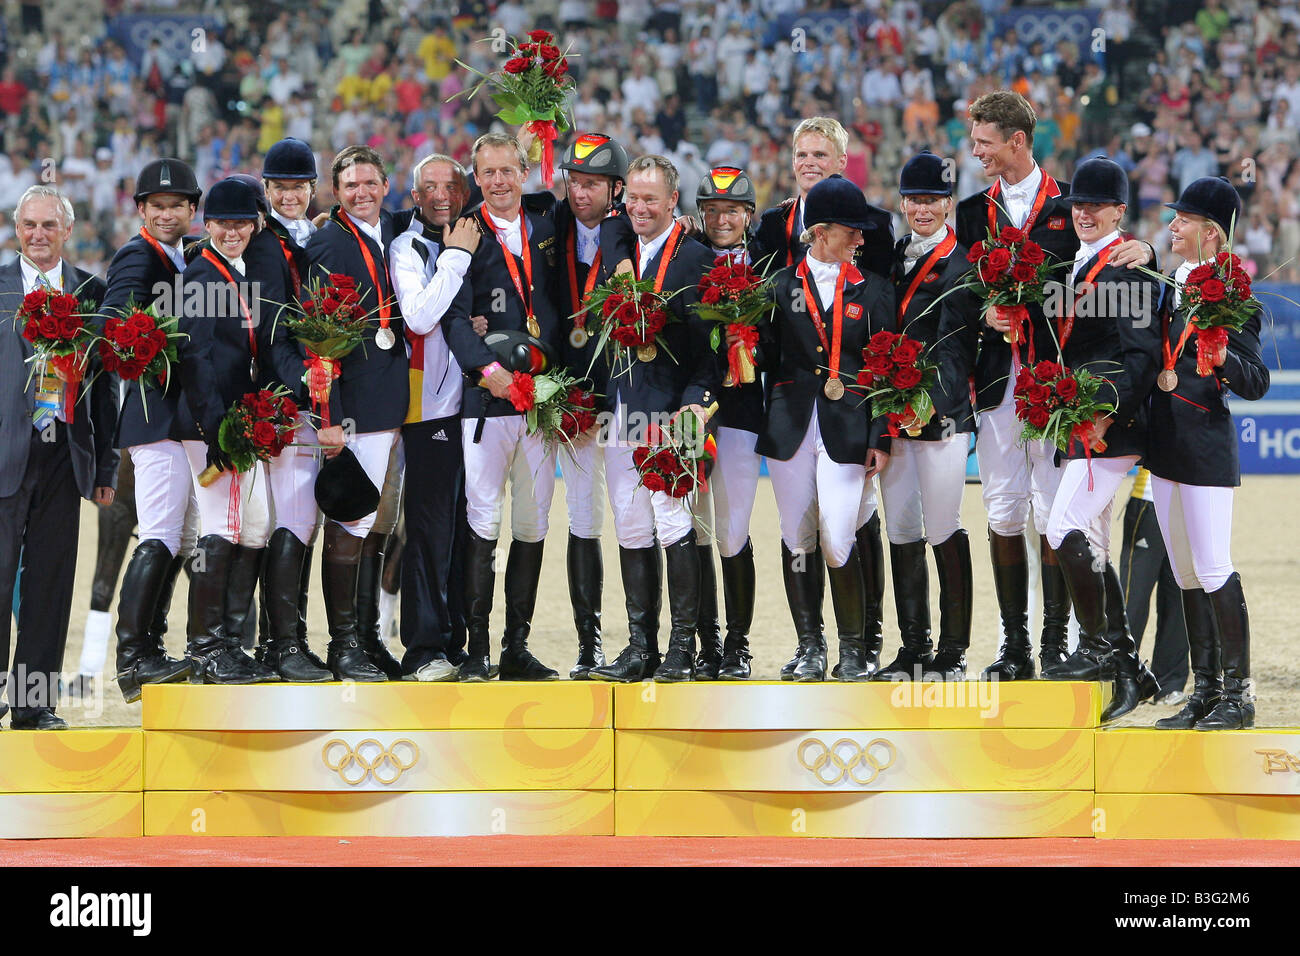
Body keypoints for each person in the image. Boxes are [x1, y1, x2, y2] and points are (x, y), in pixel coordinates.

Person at [955, 91, 1151, 680]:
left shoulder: (1070, 205)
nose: (976, 151)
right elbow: (957, 293)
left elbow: (1103, 256)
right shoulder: (970, 213)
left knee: (1054, 512)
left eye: (985, 142)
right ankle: (1013, 645)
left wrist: (1143, 246)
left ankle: (1058, 642)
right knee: (1002, 508)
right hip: (996, 383)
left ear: (1018, 141)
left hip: (1056, 384)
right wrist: (983, 315)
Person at [756, 117, 896, 680]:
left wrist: (881, 436)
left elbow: (887, 368)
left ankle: (856, 648)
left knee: (840, 534)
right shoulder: (778, 288)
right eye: (850, 231)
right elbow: (763, 358)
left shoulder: (874, 290)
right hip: (791, 425)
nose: (861, 238)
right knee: (798, 537)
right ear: (821, 232)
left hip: (849, 427)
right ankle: (810, 646)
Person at [587, 154, 719, 683]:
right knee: (631, 523)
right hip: (621, 410)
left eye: (651, 199)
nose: (639, 207)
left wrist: (692, 405)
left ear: (672, 203)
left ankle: (682, 649)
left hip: (668, 412)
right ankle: (641, 646)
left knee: (673, 522)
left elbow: (709, 351)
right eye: (633, 198)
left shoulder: (696, 261)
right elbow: (614, 230)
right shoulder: (618, 245)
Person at [1039, 158, 1162, 722]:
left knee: (1063, 528)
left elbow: (1141, 356)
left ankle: (1100, 649)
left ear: (1119, 211)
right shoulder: (1077, 265)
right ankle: (1127, 668)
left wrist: (1108, 416)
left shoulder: (1128, 269)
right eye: (1077, 206)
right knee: (1082, 535)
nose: (1083, 214)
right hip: (1085, 424)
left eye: (1096, 207)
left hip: (1113, 428)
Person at [1147, 177, 1270, 730]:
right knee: (1185, 573)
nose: (1172, 226)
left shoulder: (1235, 297)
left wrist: (1222, 359)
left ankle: (1238, 696)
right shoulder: (1169, 285)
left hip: (1205, 449)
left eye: (1183, 219)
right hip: (1165, 447)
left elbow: (1258, 381)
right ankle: (1206, 692)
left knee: (1214, 566)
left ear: (1211, 233)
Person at [444, 133, 564, 683]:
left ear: (523, 172)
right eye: (487, 173)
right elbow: (452, 317)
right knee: (483, 521)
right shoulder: (465, 233)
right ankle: (476, 651)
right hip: (488, 401)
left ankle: (516, 646)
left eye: (507, 171)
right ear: (477, 177)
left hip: (540, 399)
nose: (498, 182)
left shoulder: (546, 227)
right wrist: (486, 372)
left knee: (533, 525)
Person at [0, 185, 113, 728]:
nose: (38, 235)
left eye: (49, 225)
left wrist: (107, 467)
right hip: (3, 458)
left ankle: (32, 703)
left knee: (49, 587)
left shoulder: (94, 293)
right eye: (29, 225)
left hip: (65, 458)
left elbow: (107, 392)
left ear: (67, 230)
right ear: (16, 229)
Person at [303, 145, 410, 682]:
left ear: (385, 185)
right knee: (351, 519)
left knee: (377, 525)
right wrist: (329, 416)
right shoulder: (326, 244)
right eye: (351, 187)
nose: (362, 193)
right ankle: (342, 645)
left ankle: (366, 638)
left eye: (370, 184)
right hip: (356, 407)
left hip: (395, 401)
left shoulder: (396, 230)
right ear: (335, 192)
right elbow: (318, 340)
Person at [173, 178, 283, 684]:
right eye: (223, 222)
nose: (234, 229)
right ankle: (206, 647)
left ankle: (232, 642)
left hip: (240, 421)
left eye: (242, 221)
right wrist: (216, 427)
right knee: (223, 527)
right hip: (214, 425)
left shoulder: (236, 271)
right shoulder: (201, 276)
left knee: (255, 525)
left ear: (254, 224)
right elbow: (194, 358)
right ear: (207, 225)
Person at [874, 151, 977, 682]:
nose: (922, 208)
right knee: (903, 529)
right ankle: (914, 646)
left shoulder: (962, 265)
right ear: (902, 202)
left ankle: (953, 652)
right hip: (895, 414)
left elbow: (957, 349)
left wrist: (926, 400)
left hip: (941, 416)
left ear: (948, 204)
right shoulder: (892, 257)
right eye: (914, 199)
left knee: (943, 528)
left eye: (933, 200)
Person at [105, 158, 203, 703]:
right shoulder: (137, 254)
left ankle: (152, 647)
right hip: (155, 417)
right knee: (162, 532)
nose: (167, 214)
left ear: (192, 210)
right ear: (142, 209)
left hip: (179, 420)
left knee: (182, 536)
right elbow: (119, 322)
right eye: (158, 206)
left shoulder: (182, 257)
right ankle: (132, 656)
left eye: (177, 206)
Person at [545, 132, 634, 679]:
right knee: (583, 518)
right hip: (568, 391)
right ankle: (589, 644)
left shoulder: (630, 228)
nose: (581, 193)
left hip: (623, 394)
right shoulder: (546, 221)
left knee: (631, 520)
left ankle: (644, 641)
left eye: (593, 184)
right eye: (575, 182)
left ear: (615, 189)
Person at [388, 152, 477, 681]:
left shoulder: (470, 237)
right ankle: (422, 649)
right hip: (427, 407)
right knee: (427, 530)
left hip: (473, 405)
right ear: (415, 197)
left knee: (466, 530)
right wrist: (457, 258)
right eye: (431, 187)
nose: (442, 194)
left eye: (451, 185)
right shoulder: (407, 247)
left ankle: (456, 643)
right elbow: (419, 317)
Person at [692, 165, 769, 679]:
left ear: (749, 216)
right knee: (694, 525)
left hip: (741, 407)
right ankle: (706, 642)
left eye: (732, 211)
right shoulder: (688, 257)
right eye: (713, 211)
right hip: (693, 406)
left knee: (732, 529)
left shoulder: (769, 263)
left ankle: (738, 643)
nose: (722, 220)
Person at [1119, 467, 1190, 704]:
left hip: (1190, 505)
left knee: (1179, 596)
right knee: (1133, 598)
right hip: (1148, 502)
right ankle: (1122, 677)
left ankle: (1168, 683)